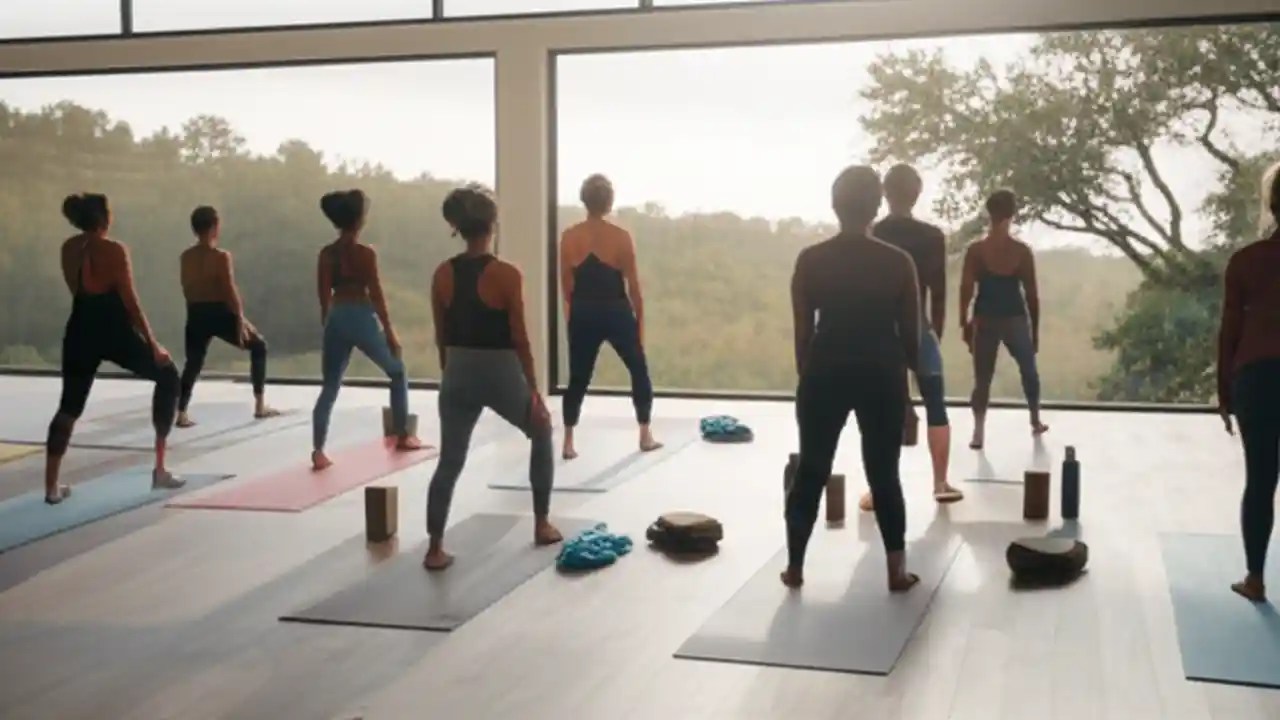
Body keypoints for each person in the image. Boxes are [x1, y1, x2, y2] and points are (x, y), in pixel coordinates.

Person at [785, 165, 920, 593]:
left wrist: (807, 381)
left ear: (834, 205)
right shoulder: (898, 263)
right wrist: (908, 399)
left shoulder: (811, 260)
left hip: (824, 370)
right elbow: (910, 341)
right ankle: (896, 572)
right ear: (876, 207)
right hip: (881, 372)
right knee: (884, 474)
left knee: (811, 470)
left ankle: (795, 567)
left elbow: (803, 333)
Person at [424, 184, 561, 570]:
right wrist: (534, 391)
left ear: (459, 228)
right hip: (499, 370)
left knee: (449, 461)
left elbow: (441, 334)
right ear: (492, 224)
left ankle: (434, 549)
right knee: (541, 430)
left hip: (457, 370)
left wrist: (449, 375)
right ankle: (541, 523)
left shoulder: (442, 273)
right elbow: (519, 337)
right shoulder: (506, 274)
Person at [44, 193, 184, 504]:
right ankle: (160, 471)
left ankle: (52, 488)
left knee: (69, 407)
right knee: (168, 375)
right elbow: (130, 302)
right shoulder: (115, 250)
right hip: (115, 331)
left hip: (80, 330)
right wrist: (153, 344)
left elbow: (77, 291)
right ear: (106, 218)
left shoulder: (69, 248)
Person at [859, 164, 963, 512]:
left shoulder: (873, 233)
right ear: (917, 193)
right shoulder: (933, 236)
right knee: (935, 402)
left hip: (880, 329)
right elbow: (940, 293)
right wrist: (933, 332)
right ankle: (940, 482)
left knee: (879, 411)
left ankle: (878, 490)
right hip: (919, 326)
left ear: (885, 194)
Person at [311, 189, 422, 470]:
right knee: (397, 372)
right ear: (359, 220)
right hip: (361, 314)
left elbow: (324, 296)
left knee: (330, 386)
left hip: (337, 315)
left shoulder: (326, 254)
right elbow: (377, 295)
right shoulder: (365, 253)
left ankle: (318, 451)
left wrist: (330, 325)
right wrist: (390, 332)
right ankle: (402, 434)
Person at [559, 174, 660, 460]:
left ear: (584, 200)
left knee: (578, 377)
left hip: (583, 310)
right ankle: (645, 434)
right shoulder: (620, 237)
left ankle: (568, 441)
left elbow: (566, 285)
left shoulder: (569, 237)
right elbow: (634, 287)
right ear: (609, 202)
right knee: (638, 370)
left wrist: (573, 316)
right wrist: (640, 324)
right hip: (615, 310)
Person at [1217, 162, 1280, 603]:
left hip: (1256, 377)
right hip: (1258, 374)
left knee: (1260, 479)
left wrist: (1223, 390)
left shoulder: (1246, 261)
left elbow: (1229, 333)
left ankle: (1255, 579)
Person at [959, 189, 1048, 449]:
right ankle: (1034, 420)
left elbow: (966, 290)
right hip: (1013, 319)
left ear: (989, 213)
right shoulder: (1021, 252)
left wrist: (963, 321)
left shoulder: (976, 251)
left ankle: (978, 432)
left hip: (985, 318)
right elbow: (1032, 295)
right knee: (1029, 372)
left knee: (982, 378)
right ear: (1012, 214)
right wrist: (1035, 331)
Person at [176, 206, 278, 427]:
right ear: (214, 227)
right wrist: (240, 318)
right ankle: (260, 406)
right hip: (219, 311)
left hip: (195, 312)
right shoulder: (221, 256)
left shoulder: (186, 257)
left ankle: (181, 412)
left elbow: (187, 288)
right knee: (258, 346)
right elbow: (229, 290)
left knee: (193, 363)